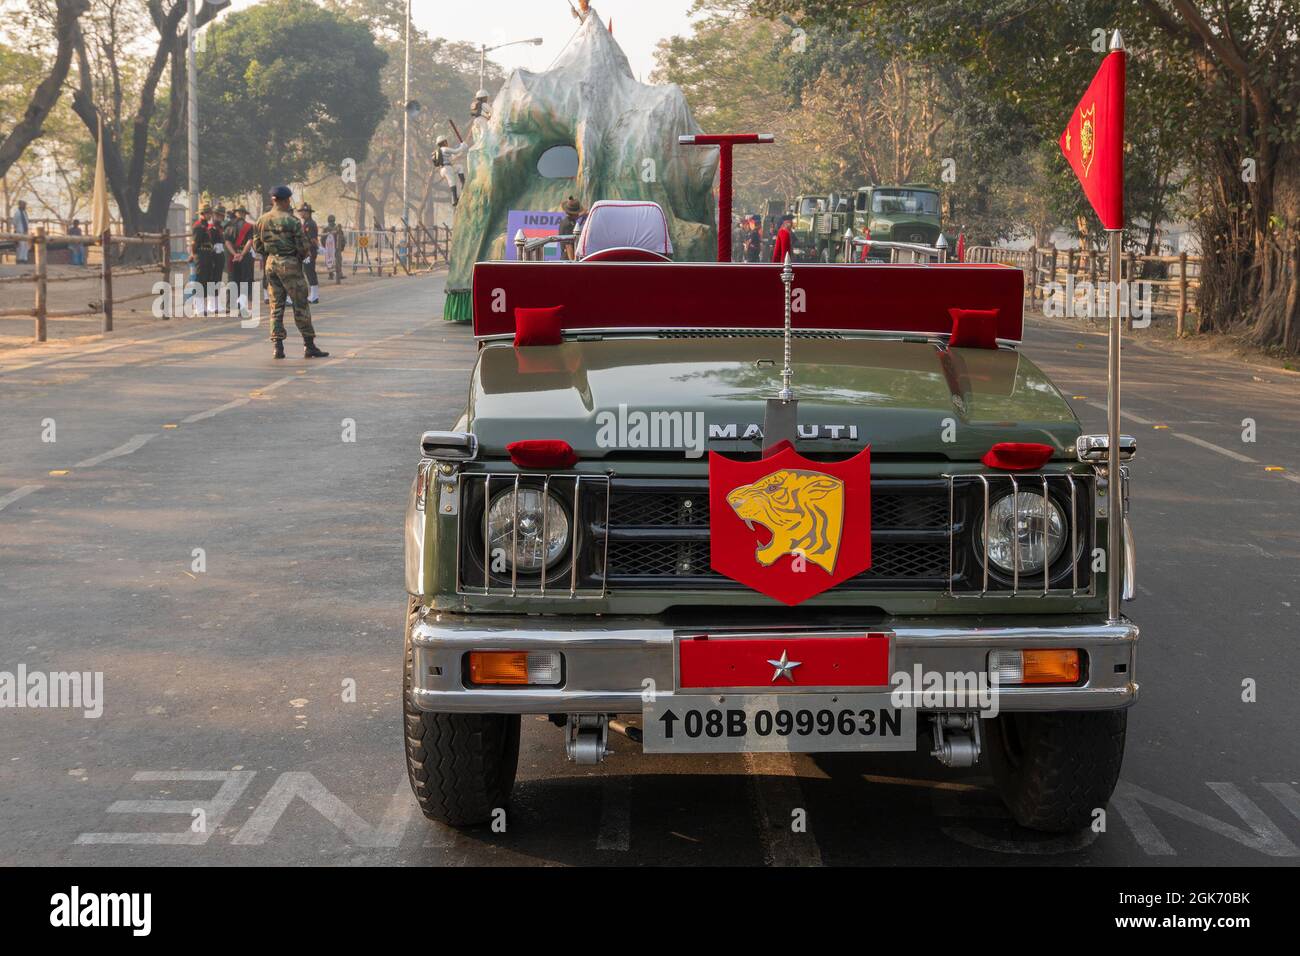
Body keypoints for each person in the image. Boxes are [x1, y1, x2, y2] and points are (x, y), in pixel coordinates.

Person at [253, 185, 328, 360]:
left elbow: (258, 246)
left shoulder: (261, 220)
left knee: (276, 306)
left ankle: (277, 347)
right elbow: (303, 247)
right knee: (300, 304)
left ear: (273, 200)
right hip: (290, 264)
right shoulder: (293, 221)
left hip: (271, 263)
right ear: (286, 200)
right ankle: (309, 345)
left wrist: (272, 254)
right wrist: (300, 257)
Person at [189, 204, 221, 314]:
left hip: (208, 254)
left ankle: (204, 306)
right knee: (200, 280)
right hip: (201, 254)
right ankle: (198, 307)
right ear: (203, 214)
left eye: (210, 213)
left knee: (207, 279)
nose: (210, 215)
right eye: (208, 213)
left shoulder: (207, 226)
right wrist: (193, 255)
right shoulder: (198, 226)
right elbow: (194, 243)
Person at [226, 206, 256, 314]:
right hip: (245, 256)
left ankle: (232, 306)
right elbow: (250, 241)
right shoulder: (248, 226)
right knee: (245, 281)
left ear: (236, 213)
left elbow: (227, 242)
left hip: (232, 256)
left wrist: (235, 254)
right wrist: (242, 254)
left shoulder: (229, 225)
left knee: (234, 280)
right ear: (244, 214)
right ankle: (242, 307)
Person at [433, 136, 467, 207]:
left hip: (443, 170)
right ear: (444, 142)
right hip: (447, 168)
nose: (447, 142)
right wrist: (462, 146)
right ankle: (454, 199)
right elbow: (456, 151)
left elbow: (454, 156)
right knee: (452, 182)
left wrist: (461, 148)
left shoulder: (440, 151)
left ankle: (463, 184)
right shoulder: (445, 149)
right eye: (446, 141)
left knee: (459, 167)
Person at [297, 203, 321, 303]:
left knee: (310, 271)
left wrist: (319, 247)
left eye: (302, 211)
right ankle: (313, 295)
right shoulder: (306, 223)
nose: (301, 213)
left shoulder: (310, 224)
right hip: (306, 251)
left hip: (310, 252)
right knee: (308, 271)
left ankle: (314, 296)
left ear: (307, 212)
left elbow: (312, 239)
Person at [557, 195, 583, 260]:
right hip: (567, 259)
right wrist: (573, 263)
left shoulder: (567, 221)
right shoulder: (568, 224)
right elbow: (568, 246)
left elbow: (578, 215)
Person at [322, 214, 346, 280]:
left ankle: (331, 275)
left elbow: (322, 239)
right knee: (338, 261)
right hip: (336, 248)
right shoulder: (337, 228)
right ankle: (338, 274)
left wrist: (325, 247)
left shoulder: (326, 229)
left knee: (330, 261)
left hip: (330, 248)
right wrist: (342, 247)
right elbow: (343, 239)